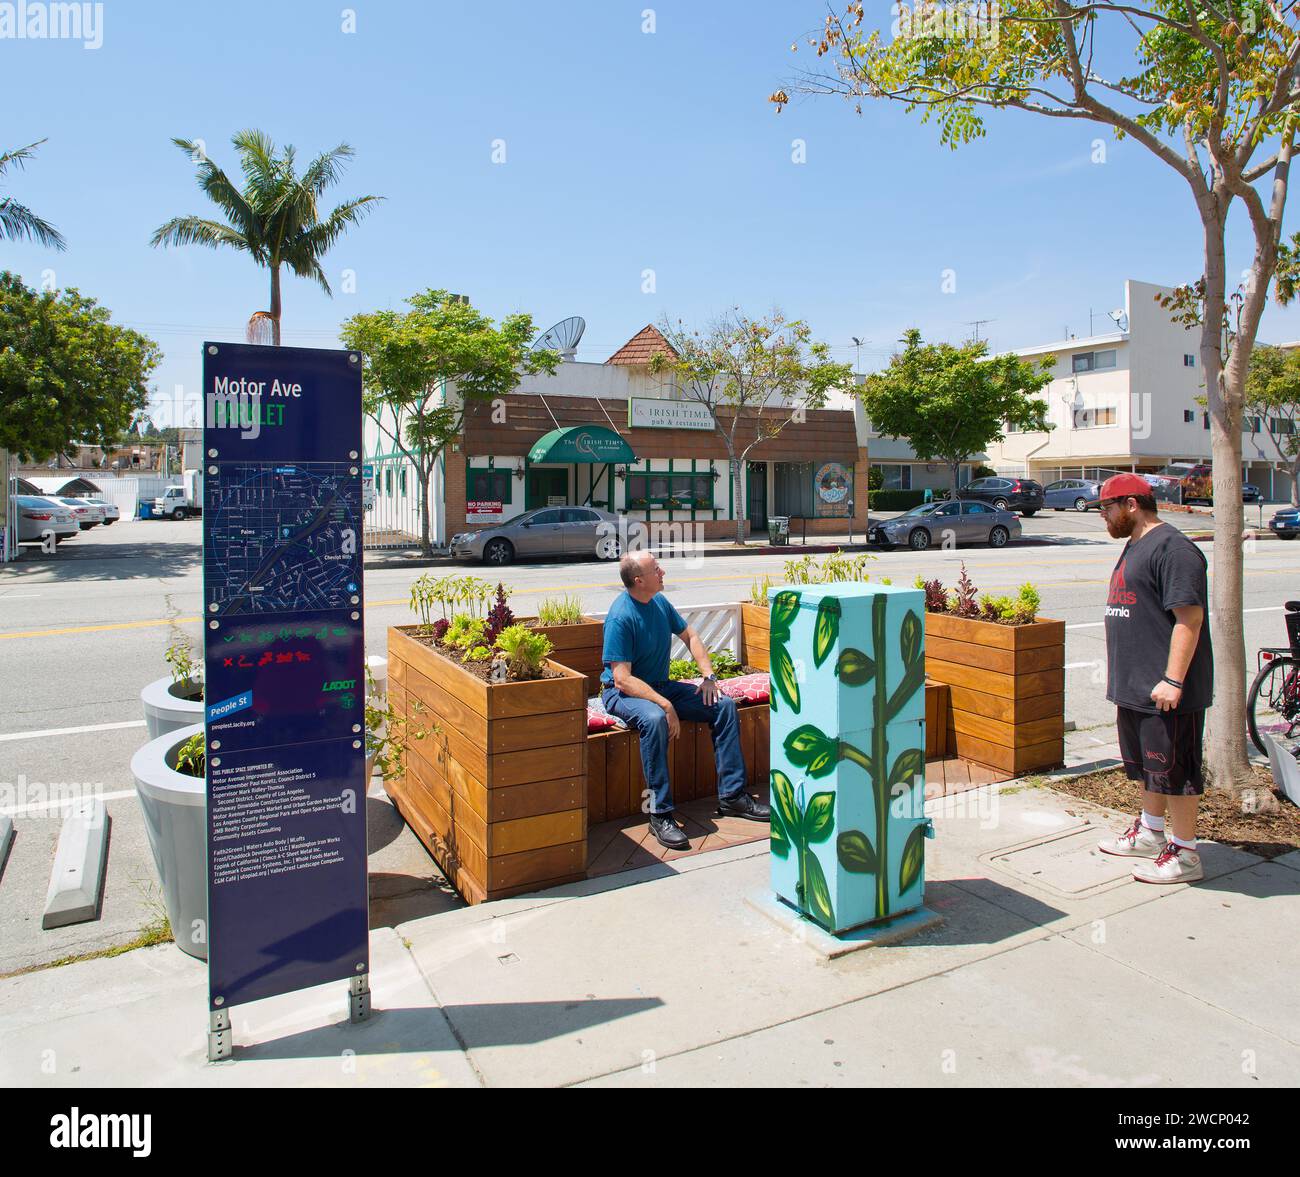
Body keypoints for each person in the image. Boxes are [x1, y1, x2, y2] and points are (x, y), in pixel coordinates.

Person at [601, 549, 770, 849]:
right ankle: (659, 813)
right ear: (639, 580)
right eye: (656, 569)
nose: (662, 571)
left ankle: (732, 797)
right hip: (622, 694)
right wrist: (665, 705)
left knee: (724, 705)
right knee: (654, 720)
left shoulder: (659, 603)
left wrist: (708, 677)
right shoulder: (620, 617)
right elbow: (622, 679)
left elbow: (691, 635)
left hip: (659, 686)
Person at [1092, 474, 1213, 883]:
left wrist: (1174, 681)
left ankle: (1186, 854)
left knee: (1176, 773)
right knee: (1151, 769)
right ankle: (1150, 832)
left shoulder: (1175, 550)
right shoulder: (1136, 545)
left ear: (1130, 504)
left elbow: (1189, 620)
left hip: (1167, 691)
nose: (1103, 517)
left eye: (1106, 508)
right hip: (1136, 686)